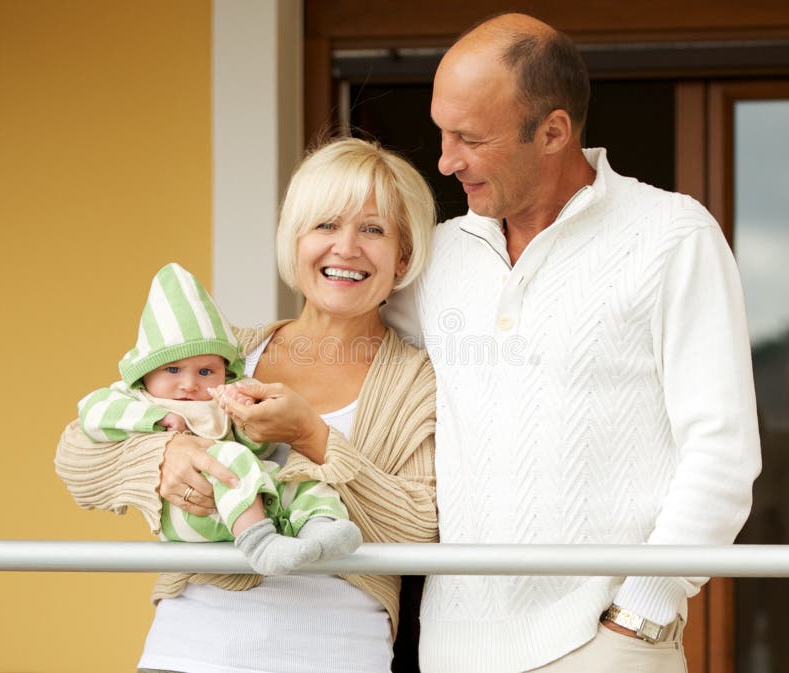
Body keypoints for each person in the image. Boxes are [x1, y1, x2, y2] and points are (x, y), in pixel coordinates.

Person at [382, 12, 762, 673]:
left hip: (605, 644)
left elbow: (723, 452)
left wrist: (642, 613)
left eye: (468, 137)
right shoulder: (435, 258)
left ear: (553, 130)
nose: (444, 160)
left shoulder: (673, 238)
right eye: (442, 131)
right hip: (450, 651)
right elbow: (343, 356)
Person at [56, 136, 438, 673]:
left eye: (373, 229)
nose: (346, 247)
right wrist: (162, 457)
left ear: (402, 256)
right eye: (326, 224)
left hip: (340, 656)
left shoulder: (419, 382)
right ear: (296, 240)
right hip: (188, 651)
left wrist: (314, 437)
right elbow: (77, 451)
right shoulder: (223, 353)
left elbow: (422, 528)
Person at [77, 261, 362, 575]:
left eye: (205, 372)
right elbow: (90, 415)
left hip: (243, 503)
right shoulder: (137, 397)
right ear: (145, 374)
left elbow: (263, 452)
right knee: (229, 456)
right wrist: (156, 426)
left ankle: (320, 526)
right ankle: (262, 545)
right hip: (191, 514)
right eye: (172, 370)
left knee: (300, 477)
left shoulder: (220, 396)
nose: (189, 383)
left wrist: (247, 422)